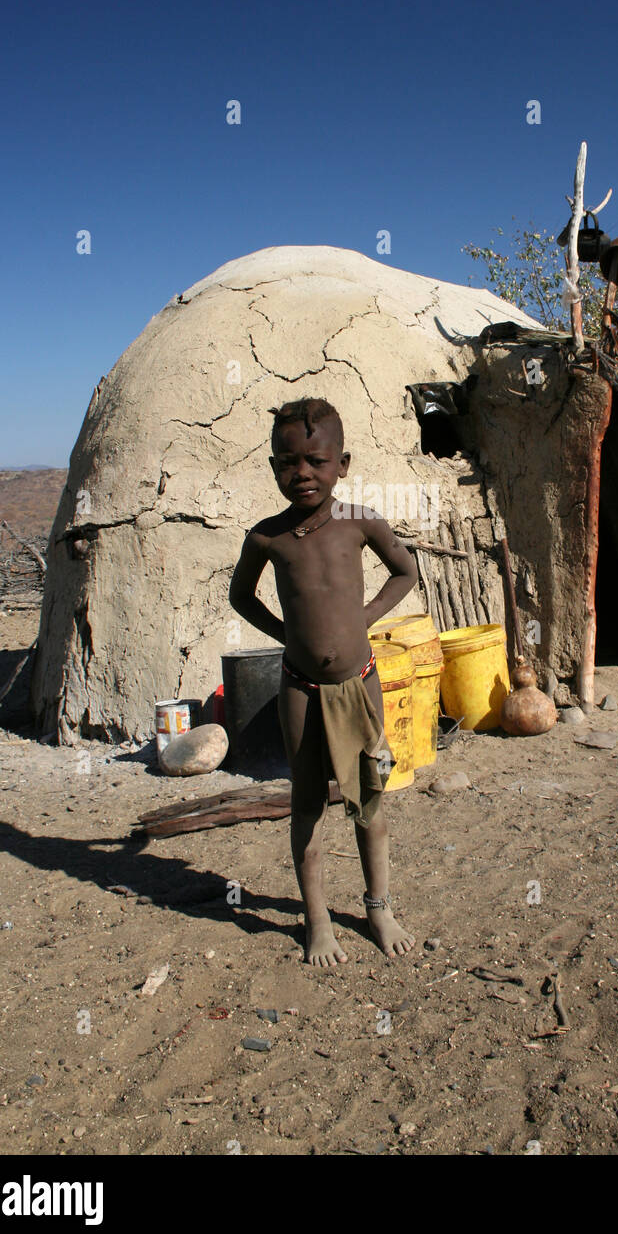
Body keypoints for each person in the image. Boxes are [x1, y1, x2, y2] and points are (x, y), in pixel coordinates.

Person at [229, 396, 418, 966]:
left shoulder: (359, 522)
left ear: (343, 462)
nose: (302, 473)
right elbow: (240, 596)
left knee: (368, 799)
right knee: (307, 802)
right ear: (273, 468)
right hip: (299, 689)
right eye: (289, 463)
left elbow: (406, 570)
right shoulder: (267, 537)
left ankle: (378, 906)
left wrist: (364, 617)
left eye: (316, 460)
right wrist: (285, 632)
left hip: (359, 684)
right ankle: (317, 921)